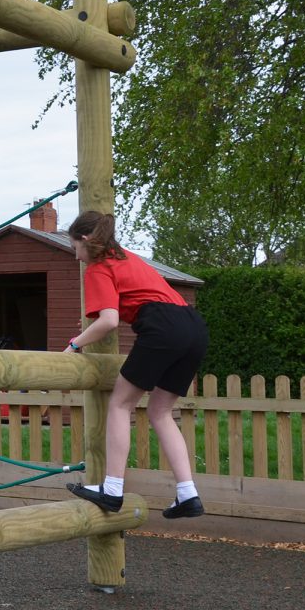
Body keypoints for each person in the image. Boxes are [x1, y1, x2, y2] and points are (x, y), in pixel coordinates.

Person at [62, 210, 208, 519]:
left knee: (119, 405)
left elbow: (109, 321)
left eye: (75, 248)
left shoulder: (98, 267)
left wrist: (75, 343)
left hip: (162, 327)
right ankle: (188, 493)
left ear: (86, 241)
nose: (76, 257)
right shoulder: (126, 257)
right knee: (160, 411)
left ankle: (112, 490)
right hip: (194, 327)